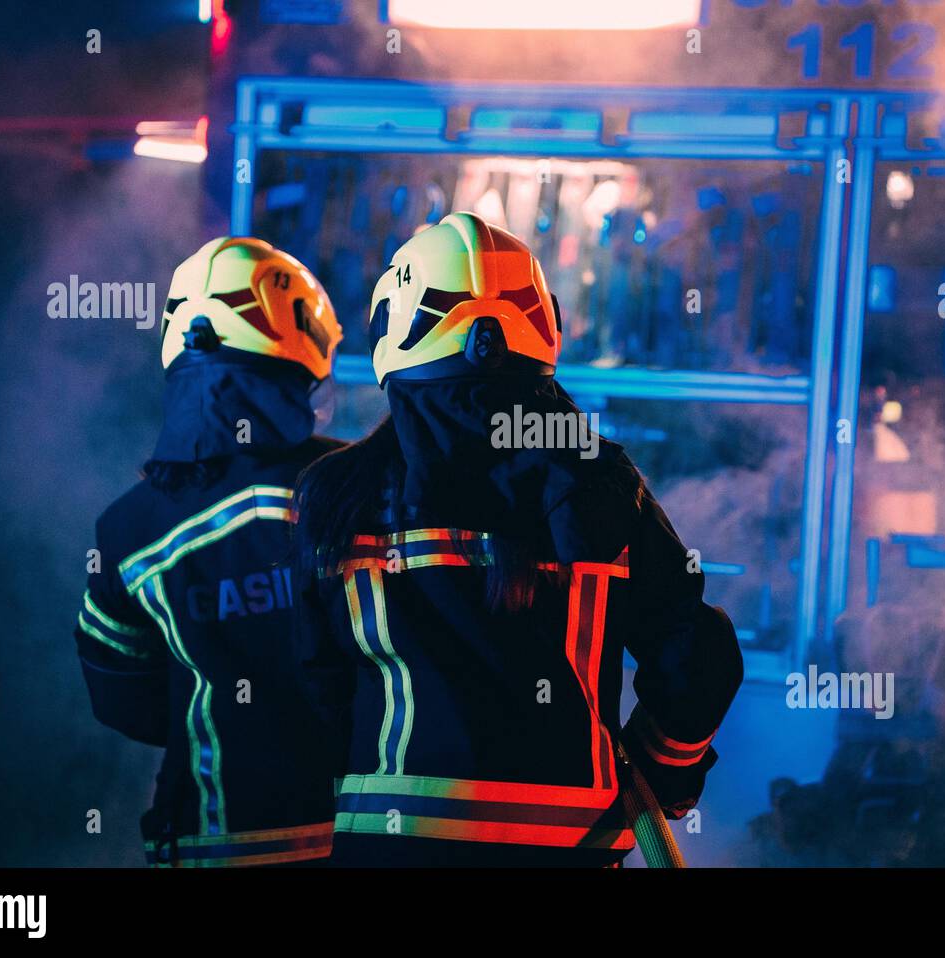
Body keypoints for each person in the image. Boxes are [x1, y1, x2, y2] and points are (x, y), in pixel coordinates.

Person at [293, 212, 743, 867]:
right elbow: (698, 661)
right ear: (542, 324)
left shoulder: (336, 495)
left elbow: (314, 687)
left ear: (394, 328)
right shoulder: (604, 485)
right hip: (572, 850)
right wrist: (662, 773)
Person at [75, 238, 344, 867]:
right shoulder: (356, 488)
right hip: (355, 843)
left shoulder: (128, 529)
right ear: (296, 358)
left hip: (209, 843)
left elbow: (121, 701)